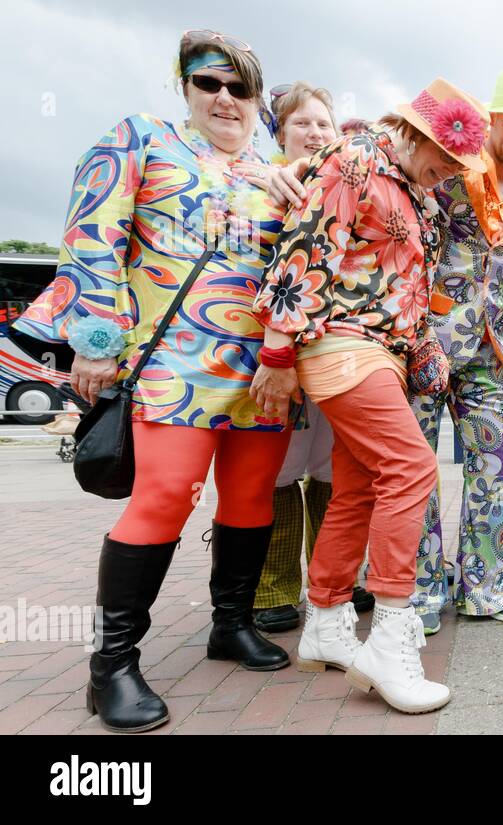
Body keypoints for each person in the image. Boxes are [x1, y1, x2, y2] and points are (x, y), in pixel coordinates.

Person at [15, 29, 293, 733]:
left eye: (241, 87)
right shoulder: (141, 139)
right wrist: (97, 339)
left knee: (254, 492)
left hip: (260, 368)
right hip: (171, 356)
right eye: (210, 83)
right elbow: (93, 235)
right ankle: (111, 666)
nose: (225, 98)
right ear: (186, 88)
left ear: (259, 99)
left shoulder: (278, 169)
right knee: (166, 494)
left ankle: (229, 624)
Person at [253, 77, 485, 713]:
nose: (450, 169)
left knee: (357, 488)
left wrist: (428, 354)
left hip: (383, 352)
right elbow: (305, 250)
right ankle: (390, 635)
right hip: (339, 345)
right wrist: (276, 352)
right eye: (443, 153)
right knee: (412, 470)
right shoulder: (353, 161)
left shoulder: (422, 198)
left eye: (458, 162)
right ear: (411, 132)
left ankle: (326, 623)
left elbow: (408, 292)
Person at [410, 69, 503, 630]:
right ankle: (418, 595)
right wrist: (412, 329)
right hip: (429, 342)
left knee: (492, 467)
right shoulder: (450, 173)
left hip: (492, 349)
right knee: (417, 470)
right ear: (493, 121)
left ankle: (488, 587)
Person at [242, 81, 371, 634]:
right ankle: (272, 590)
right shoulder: (254, 177)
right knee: (278, 469)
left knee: (328, 469)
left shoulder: (344, 181)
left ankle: (333, 582)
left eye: (324, 123)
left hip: (334, 352)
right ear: (278, 133)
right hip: (272, 352)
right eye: (303, 124)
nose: (316, 134)